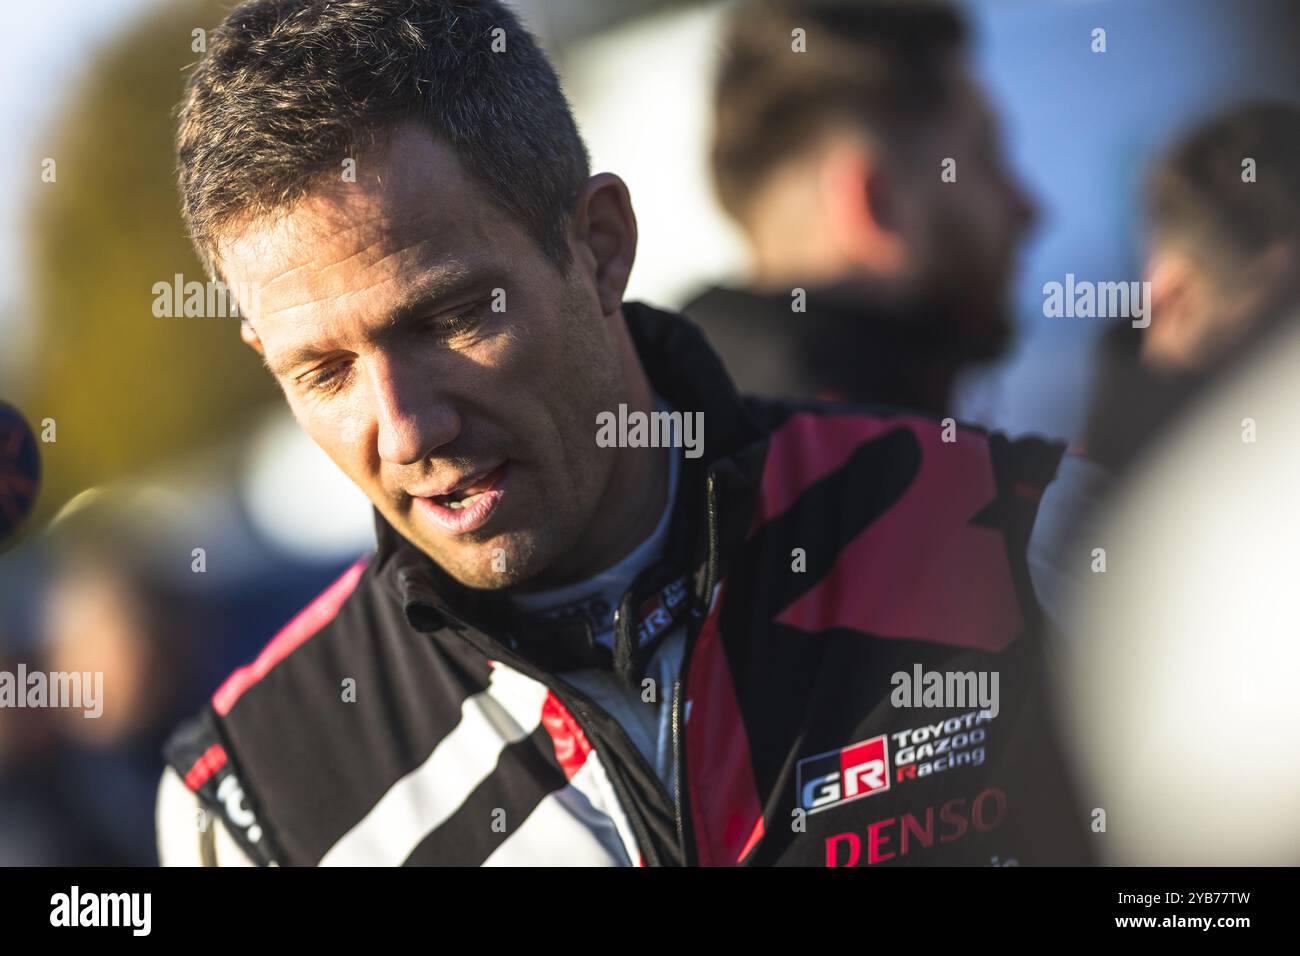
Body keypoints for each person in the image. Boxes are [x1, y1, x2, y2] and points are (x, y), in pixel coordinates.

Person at [156, 0, 1088, 867]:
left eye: (447, 318)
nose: (404, 431)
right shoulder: (246, 797)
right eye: (323, 371)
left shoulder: (1014, 529)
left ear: (601, 245)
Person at [682, 0, 1037, 415]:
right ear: (877, 205)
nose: (1027, 208)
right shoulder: (899, 468)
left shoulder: (669, 436)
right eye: (985, 158)